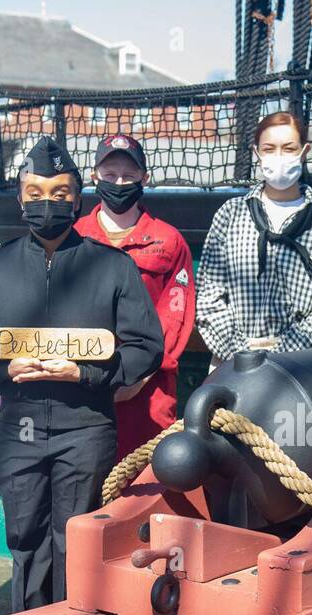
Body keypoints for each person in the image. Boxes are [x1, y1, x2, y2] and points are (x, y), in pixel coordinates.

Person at [0, 137, 164, 611]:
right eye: (37, 192)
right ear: (20, 198)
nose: (48, 203)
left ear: (77, 200)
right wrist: (2, 370)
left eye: (61, 194)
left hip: (85, 429)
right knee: (24, 539)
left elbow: (147, 348)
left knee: (77, 539)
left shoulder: (112, 267)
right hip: (17, 427)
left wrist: (87, 375)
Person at [195, 111, 312, 368]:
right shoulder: (230, 213)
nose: (279, 156)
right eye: (269, 148)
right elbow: (209, 295)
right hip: (231, 361)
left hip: (299, 365)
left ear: (304, 151)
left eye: (289, 149)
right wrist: (243, 355)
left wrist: (281, 356)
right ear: (257, 153)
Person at [75, 132, 195, 459]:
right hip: (81, 387)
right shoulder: (73, 238)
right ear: (94, 176)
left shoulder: (168, 241)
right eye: (110, 174)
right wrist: (81, 373)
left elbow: (175, 316)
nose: (119, 182)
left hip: (148, 392)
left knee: (144, 485)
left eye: (129, 175)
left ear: (145, 178)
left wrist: (137, 375)